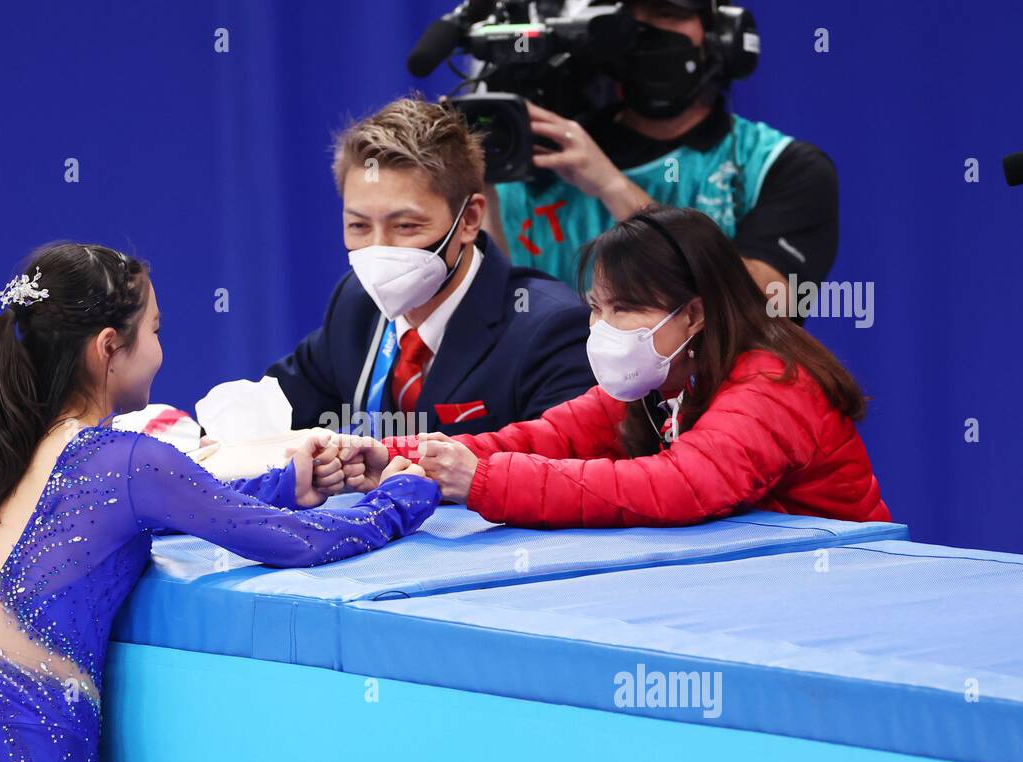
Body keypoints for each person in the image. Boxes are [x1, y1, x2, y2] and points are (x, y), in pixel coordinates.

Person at [0, 242, 438, 762]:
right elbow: (301, 544)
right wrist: (408, 488)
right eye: (155, 332)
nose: (162, 352)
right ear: (108, 347)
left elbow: (125, 518)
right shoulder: (124, 462)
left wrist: (286, 485)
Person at [335, 205, 890, 528]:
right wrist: (396, 456)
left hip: (849, 597)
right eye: (598, 307)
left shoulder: (772, 384)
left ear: (693, 313)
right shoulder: (662, 378)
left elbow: (678, 486)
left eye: (625, 308)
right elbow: (547, 438)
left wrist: (481, 481)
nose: (602, 327)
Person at [484, 0, 839, 322]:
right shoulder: (533, 162)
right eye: (624, 19)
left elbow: (767, 306)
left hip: (715, 393)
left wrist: (613, 188)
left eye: (667, 13)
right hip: (555, 390)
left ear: (722, 33)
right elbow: (490, 313)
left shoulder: (781, 167)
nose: (644, 33)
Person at [265, 94, 594, 440]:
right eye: (359, 226)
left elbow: (557, 475)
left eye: (406, 226)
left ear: (469, 219)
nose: (379, 247)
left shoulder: (550, 329)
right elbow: (276, 407)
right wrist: (211, 442)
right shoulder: (356, 304)